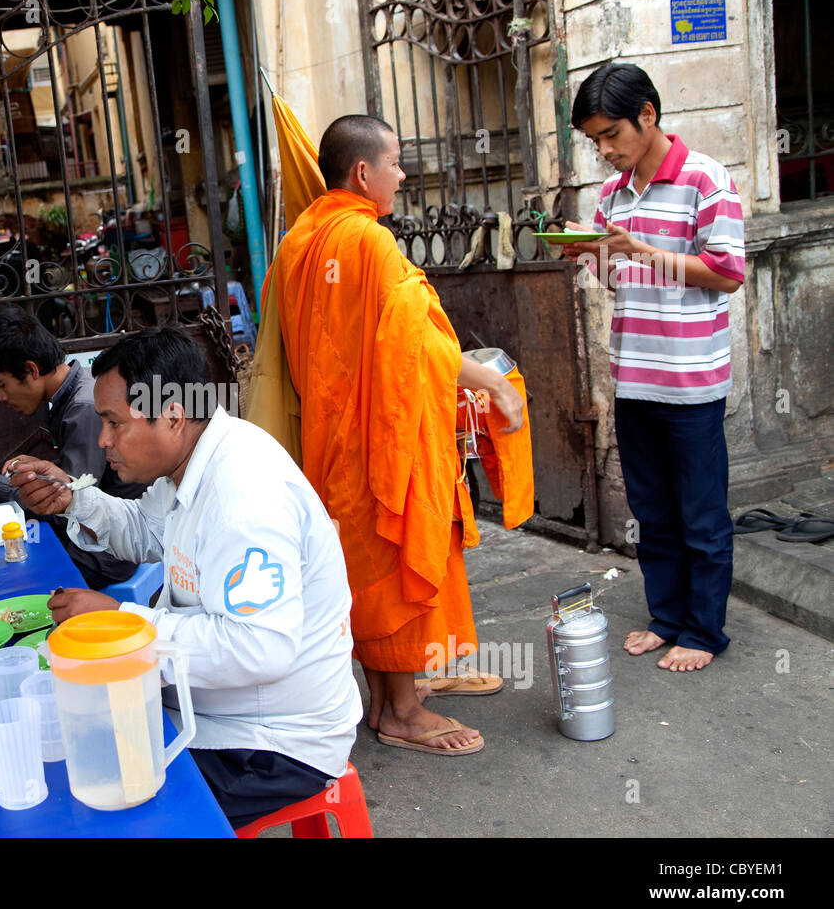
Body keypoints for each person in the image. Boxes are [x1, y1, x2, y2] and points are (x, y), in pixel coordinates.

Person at [9, 327, 361, 827]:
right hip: (211, 711)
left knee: (106, 810)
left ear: (172, 414)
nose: (104, 439)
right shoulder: (191, 464)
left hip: (270, 743)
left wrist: (123, 623)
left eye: (114, 422)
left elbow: (259, 646)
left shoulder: (244, 496)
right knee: (79, 749)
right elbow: (147, 530)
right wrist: (76, 499)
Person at [275, 114, 524, 755]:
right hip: (378, 437)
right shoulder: (366, 241)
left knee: (364, 564)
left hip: (332, 438)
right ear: (363, 172)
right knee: (395, 556)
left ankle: (399, 688)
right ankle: (401, 712)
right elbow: (415, 348)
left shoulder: (301, 237)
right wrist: (490, 382)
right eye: (396, 162)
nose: (403, 173)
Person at [559, 63, 744, 672]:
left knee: (701, 514)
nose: (606, 151)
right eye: (595, 141)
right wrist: (596, 258)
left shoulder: (706, 179)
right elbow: (623, 283)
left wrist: (644, 251)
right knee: (654, 513)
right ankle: (667, 618)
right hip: (634, 378)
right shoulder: (611, 197)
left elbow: (726, 275)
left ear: (648, 115)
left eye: (612, 134)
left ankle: (704, 631)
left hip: (691, 380)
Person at [0, 306, 145, 589]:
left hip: (104, 552)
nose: (1, 396)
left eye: (1, 384)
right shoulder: (69, 397)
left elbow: (66, 502)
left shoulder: (82, 408)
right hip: (90, 535)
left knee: (5, 575)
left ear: (31, 369)